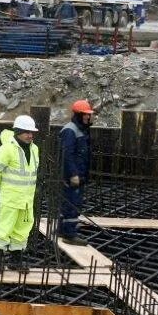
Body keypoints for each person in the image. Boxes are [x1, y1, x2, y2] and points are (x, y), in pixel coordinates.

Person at [0, 114, 41, 273]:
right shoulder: (7, 149)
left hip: (26, 200)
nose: (30, 135)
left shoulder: (35, 149)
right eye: (26, 132)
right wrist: (3, 186)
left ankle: (15, 261)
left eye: (32, 132)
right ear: (17, 131)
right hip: (10, 199)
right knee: (3, 230)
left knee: (22, 231)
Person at [59, 100, 94, 246]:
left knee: (70, 202)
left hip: (79, 174)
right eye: (86, 115)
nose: (89, 117)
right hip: (72, 176)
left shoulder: (80, 128)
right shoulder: (71, 130)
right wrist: (73, 174)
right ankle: (70, 234)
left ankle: (63, 229)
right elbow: (67, 154)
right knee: (72, 203)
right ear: (80, 115)